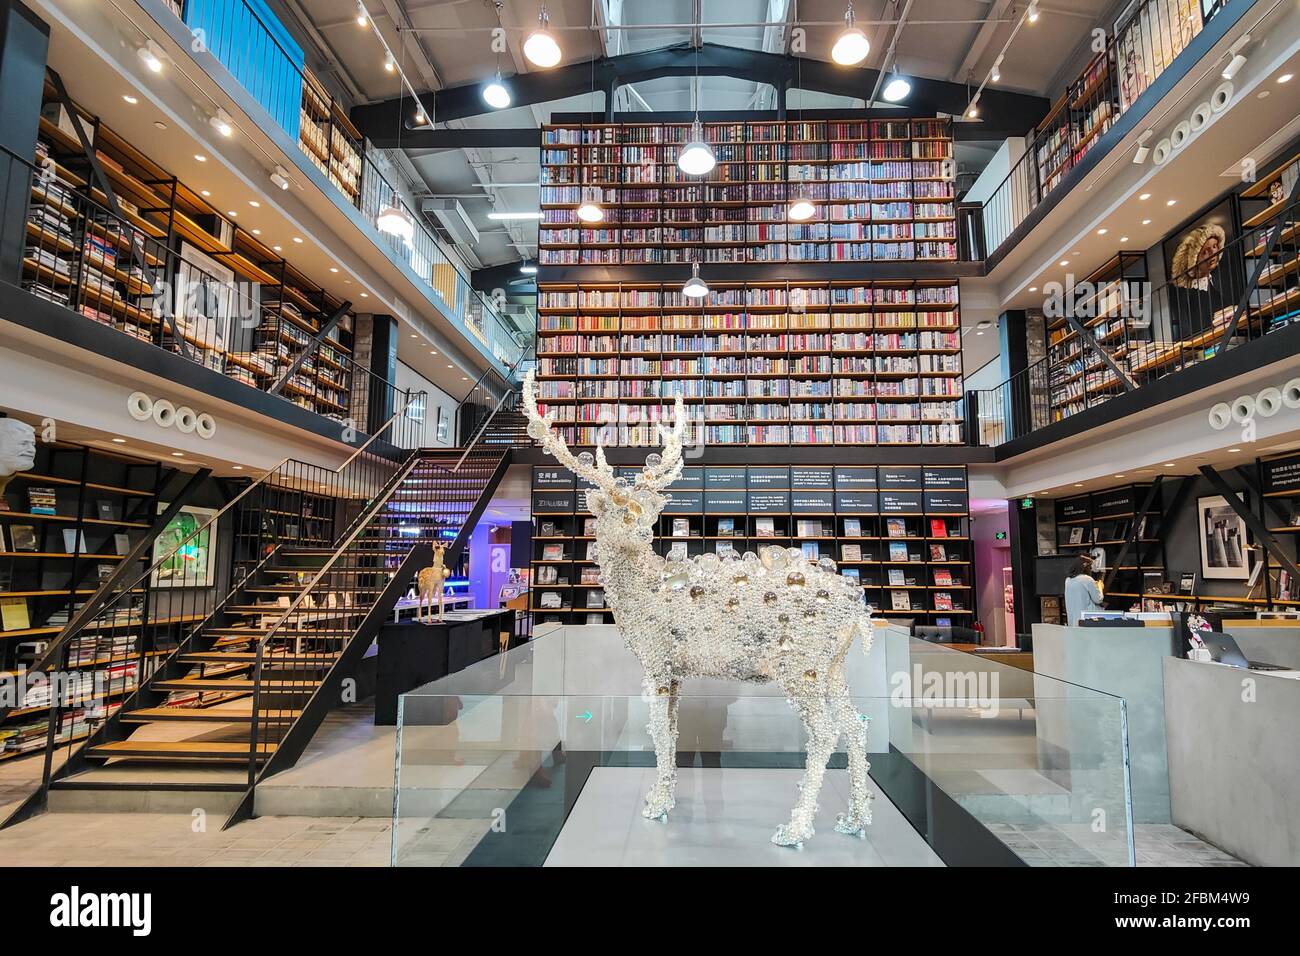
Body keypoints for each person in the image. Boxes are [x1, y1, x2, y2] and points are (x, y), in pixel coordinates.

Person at [1064, 556, 1104, 625]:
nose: (1091, 569)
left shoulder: (1068, 580)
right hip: (1087, 619)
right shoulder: (1087, 579)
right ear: (1085, 566)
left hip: (1073, 620)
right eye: (1090, 567)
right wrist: (1100, 587)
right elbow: (1098, 599)